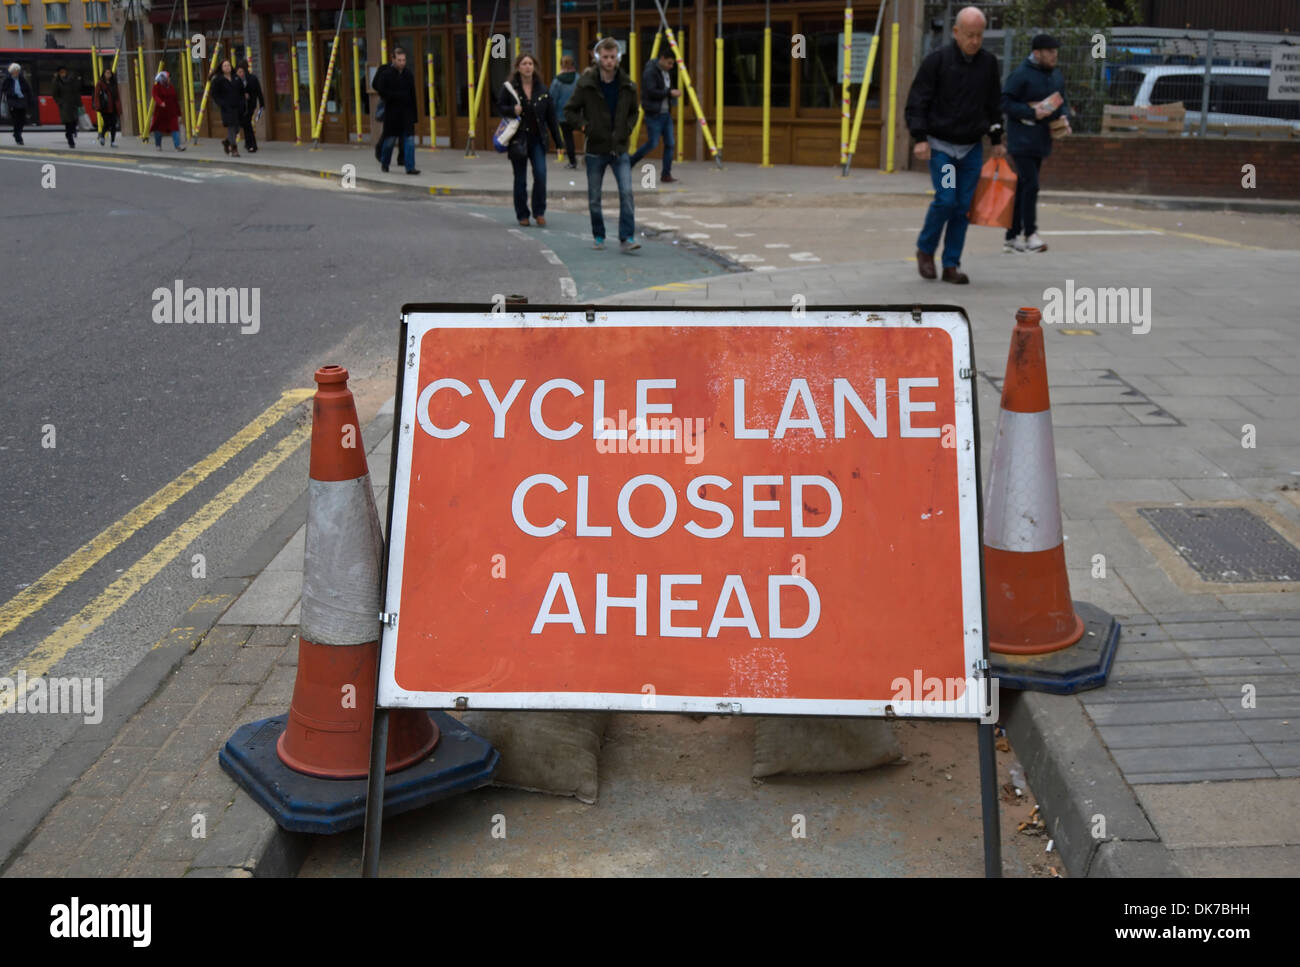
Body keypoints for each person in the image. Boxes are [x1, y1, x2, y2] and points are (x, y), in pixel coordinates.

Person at [904, 5, 1005, 284]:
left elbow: (993, 104)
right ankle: (926, 250)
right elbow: (917, 102)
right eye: (970, 35)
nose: (975, 41)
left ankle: (951, 264)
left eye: (980, 36)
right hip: (942, 148)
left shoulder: (988, 64)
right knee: (947, 199)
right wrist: (920, 137)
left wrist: (997, 139)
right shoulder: (936, 61)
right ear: (956, 32)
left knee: (962, 207)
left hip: (971, 148)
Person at [564, 37, 640, 253]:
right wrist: (585, 127)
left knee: (626, 193)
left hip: (619, 147)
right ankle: (599, 235)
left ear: (618, 58)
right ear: (598, 58)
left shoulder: (627, 84)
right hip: (595, 149)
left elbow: (635, 111)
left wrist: (627, 128)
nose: (609, 61)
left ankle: (626, 237)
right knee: (594, 197)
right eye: (605, 57)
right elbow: (569, 110)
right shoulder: (587, 84)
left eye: (613, 57)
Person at [1000, 34, 1068, 254]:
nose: (1053, 56)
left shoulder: (1056, 76)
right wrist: (1031, 112)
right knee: (1031, 185)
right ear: (1036, 53)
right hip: (1021, 139)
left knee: (1023, 187)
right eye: (1049, 52)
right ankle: (1030, 234)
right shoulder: (1021, 75)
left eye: (1055, 52)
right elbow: (1005, 102)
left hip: (1041, 139)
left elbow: (1062, 100)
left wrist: (1064, 116)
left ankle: (1011, 238)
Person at [498, 52, 563, 227]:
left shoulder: (542, 89)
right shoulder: (510, 88)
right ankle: (522, 215)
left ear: (534, 67)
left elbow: (551, 117)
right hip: (518, 139)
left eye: (530, 64)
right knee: (520, 179)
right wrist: (513, 110)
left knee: (541, 174)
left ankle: (539, 211)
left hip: (537, 139)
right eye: (524, 64)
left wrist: (559, 142)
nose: (528, 67)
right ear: (518, 67)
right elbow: (500, 107)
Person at [629, 47, 680, 183]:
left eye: (672, 64)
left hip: (665, 113)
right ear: (662, 59)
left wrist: (670, 94)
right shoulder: (650, 71)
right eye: (669, 63)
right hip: (654, 113)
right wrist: (669, 93)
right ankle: (629, 162)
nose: (671, 66)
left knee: (670, 144)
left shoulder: (666, 73)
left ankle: (666, 174)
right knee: (653, 143)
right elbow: (651, 91)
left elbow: (665, 88)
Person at [372, 46, 419, 175]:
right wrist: (394, 96)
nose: (402, 63)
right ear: (393, 59)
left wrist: (414, 115)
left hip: (407, 113)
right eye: (399, 60)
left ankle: (410, 167)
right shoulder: (386, 73)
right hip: (392, 113)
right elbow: (381, 90)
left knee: (409, 140)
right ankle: (385, 162)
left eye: (404, 60)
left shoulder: (408, 74)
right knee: (389, 141)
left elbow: (412, 95)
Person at [549, 54, 579, 168]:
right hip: (577, 113)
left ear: (561, 65)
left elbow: (552, 98)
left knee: (568, 138)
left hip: (562, 114)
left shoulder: (557, 81)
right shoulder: (578, 78)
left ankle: (572, 161)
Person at [210, 59, 244, 156]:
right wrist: (221, 103)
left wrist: (242, 102)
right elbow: (214, 94)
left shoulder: (236, 78)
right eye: (225, 66)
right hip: (227, 108)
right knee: (231, 127)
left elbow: (241, 91)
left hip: (237, 106)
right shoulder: (218, 80)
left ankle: (227, 141)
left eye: (228, 65)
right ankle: (234, 149)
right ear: (221, 68)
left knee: (236, 129)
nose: (227, 67)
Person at [150, 70, 185, 151]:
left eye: (169, 78)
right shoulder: (157, 86)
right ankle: (158, 145)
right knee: (158, 129)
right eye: (168, 77)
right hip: (160, 112)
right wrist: (160, 102)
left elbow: (175, 101)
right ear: (163, 78)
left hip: (171, 111)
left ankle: (178, 146)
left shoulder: (171, 87)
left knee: (174, 127)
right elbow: (155, 95)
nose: (169, 79)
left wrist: (179, 114)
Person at [236, 61, 264, 153]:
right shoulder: (237, 80)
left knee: (247, 124)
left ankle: (252, 145)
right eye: (238, 71)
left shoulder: (252, 79)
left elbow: (258, 91)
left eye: (241, 71)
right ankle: (248, 143)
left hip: (250, 105)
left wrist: (261, 103)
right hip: (240, 106)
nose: (240, 74)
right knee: (245, 125)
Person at [52, 65, 83, 149]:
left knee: (74, 122)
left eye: (64, 72)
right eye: (61, 72)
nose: (63, 74)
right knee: (68, 123)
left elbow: (76, 92)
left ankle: (69, 134)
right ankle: (70, 141)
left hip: (73, 104)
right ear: (58, 73)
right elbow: (55, 95)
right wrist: (60, 102)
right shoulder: (56, 82)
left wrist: (80, 104)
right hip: (65, 106)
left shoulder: (72, 80)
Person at [1, 63, 32, 145]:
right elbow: (3, 90)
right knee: (15, 119)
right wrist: (10, 94)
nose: (16, 72)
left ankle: (18, 132)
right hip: (13, 101)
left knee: (22, 120)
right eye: (15, 71)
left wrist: (28, 100)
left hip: (22, 101)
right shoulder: (7, 80)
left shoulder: (22, 79)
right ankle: (18, 136)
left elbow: (28, 90)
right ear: (11, 71)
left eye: (17, 71)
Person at [94, 67, 121, 147]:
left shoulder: (114, 83)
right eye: (107, 73)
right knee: (107, 123)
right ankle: (102, 136)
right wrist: (98, 106)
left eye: (109, 73)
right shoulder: (100, 83)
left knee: (113, 124)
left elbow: (117, 95)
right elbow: (96, 95)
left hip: (113, 107)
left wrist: (119, 106)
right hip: (104, 107)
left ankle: (113, 141)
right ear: (103, 74)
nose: (108, 74)